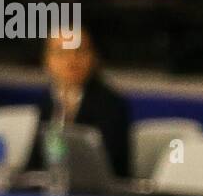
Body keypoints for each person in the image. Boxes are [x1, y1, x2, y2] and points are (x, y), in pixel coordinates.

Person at [32, 25, 132, 179]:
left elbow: (112, 169)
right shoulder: (47, 101)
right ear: (47, 60)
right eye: (62, 52)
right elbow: (35, 165)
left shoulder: (111, 104)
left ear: (94, 58)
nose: (72, 60)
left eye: (79, 51)